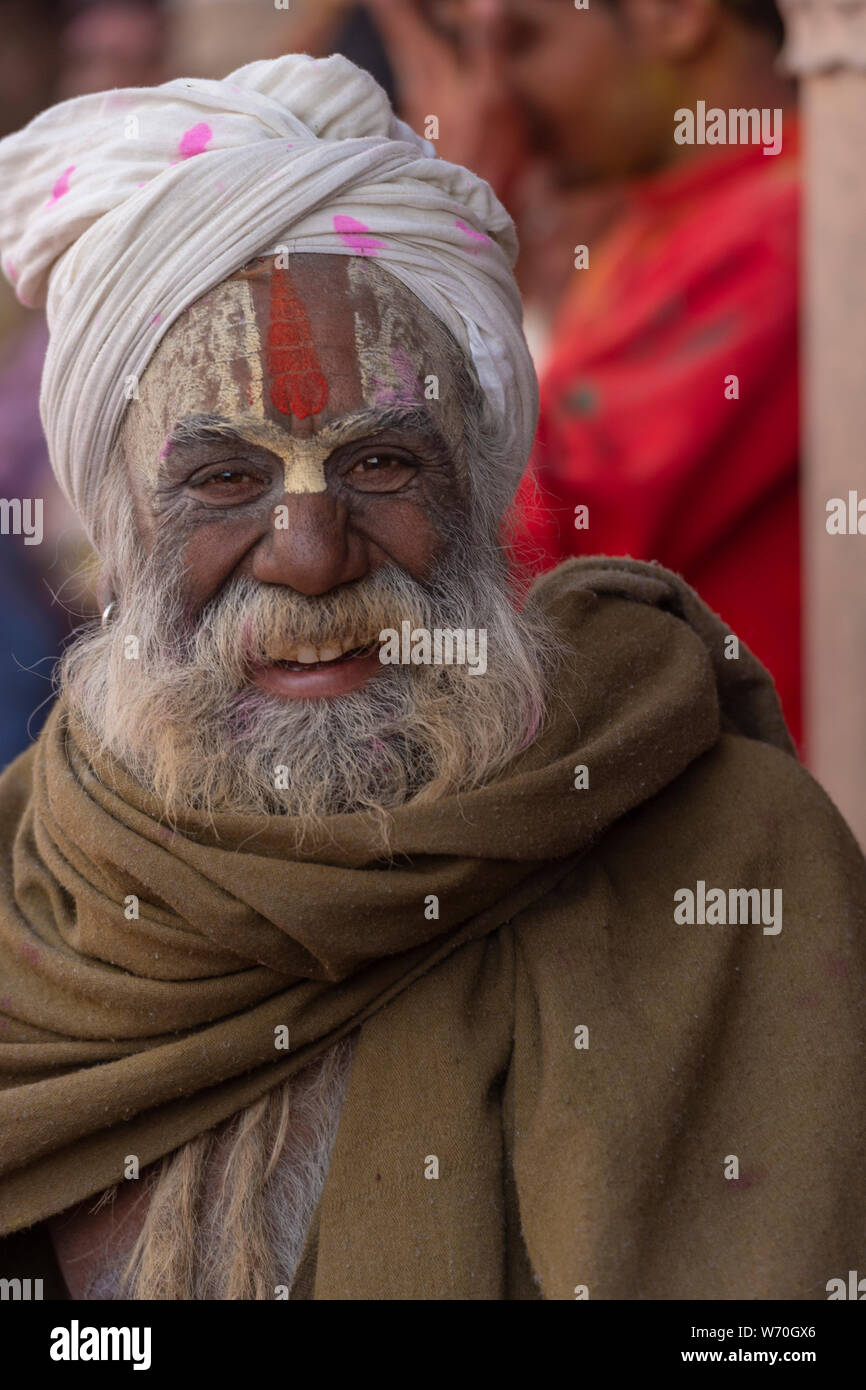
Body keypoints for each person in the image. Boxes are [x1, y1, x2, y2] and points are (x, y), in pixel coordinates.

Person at [0, 54, 862, 1302]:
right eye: (225, 480)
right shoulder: (33, 901)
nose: (308, 553)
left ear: (482, 483)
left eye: (383, 463)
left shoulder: (726, 858)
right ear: (119, 530)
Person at [486, 0, 804, 750]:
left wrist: (442, 222)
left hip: (747, 812)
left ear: (675, 15)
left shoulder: (792, 219)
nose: (497, 93)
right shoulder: (663, 218)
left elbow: (539, 533)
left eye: (522, 40)